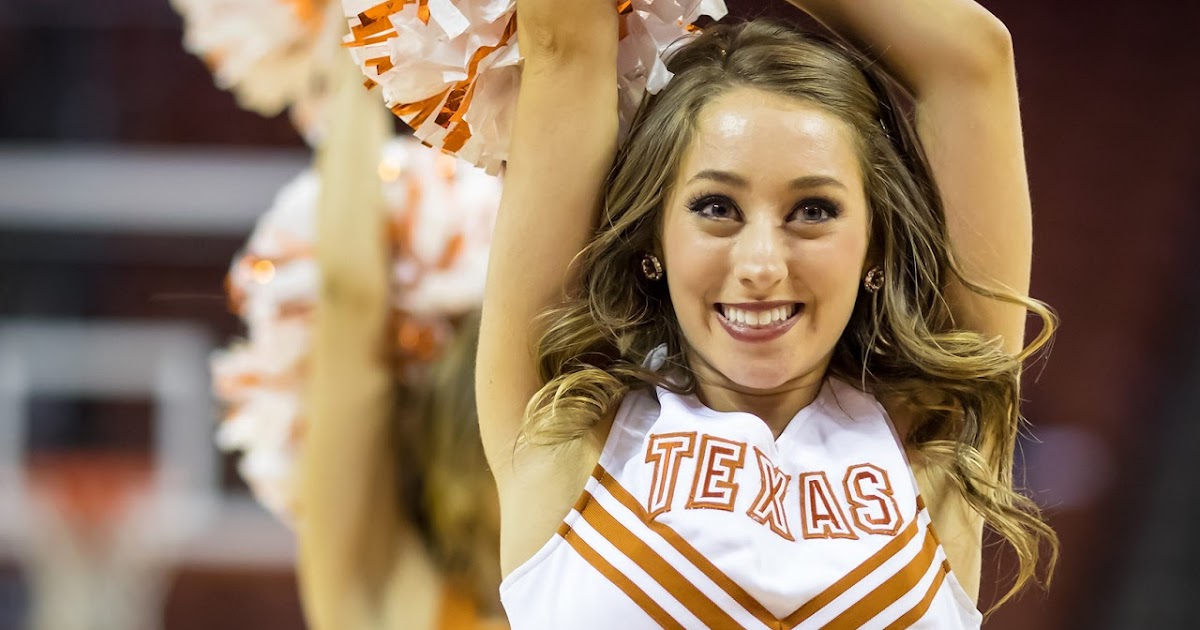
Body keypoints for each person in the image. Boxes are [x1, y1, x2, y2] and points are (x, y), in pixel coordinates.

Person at [477, 1, 1057, 627]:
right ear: (653, 242)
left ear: (876, 246)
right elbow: (565, 42)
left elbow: (973, 58)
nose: (761, 265)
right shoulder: (565, 426)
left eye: (813, 210)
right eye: (716, 207)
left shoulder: (938, 437)